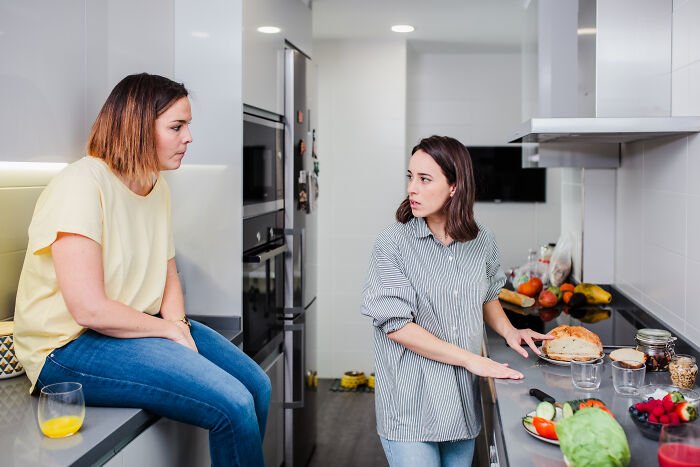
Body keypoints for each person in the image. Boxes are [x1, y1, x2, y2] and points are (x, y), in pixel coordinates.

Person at [14, 73, 270, 467]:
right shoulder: (81, 185)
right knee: (232, 404)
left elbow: (167, 271)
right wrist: (168, 332)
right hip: (69, 346)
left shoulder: (155, 185)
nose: (189, 138)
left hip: (133, 327)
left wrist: (179, 324)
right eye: (177, 126)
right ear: (136, 127)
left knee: (258, 387)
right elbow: (88, 309)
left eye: (188, 126)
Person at [361, 135, 551, 467]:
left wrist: (509, 331)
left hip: (461, 405)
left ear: (454, 186)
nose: (412, 188)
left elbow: (487, 295)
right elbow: (397, 327)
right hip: (411, 406)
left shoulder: (483, 240)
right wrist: (470, 359)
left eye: (424, 179)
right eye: (410, 177)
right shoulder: (392, 243)